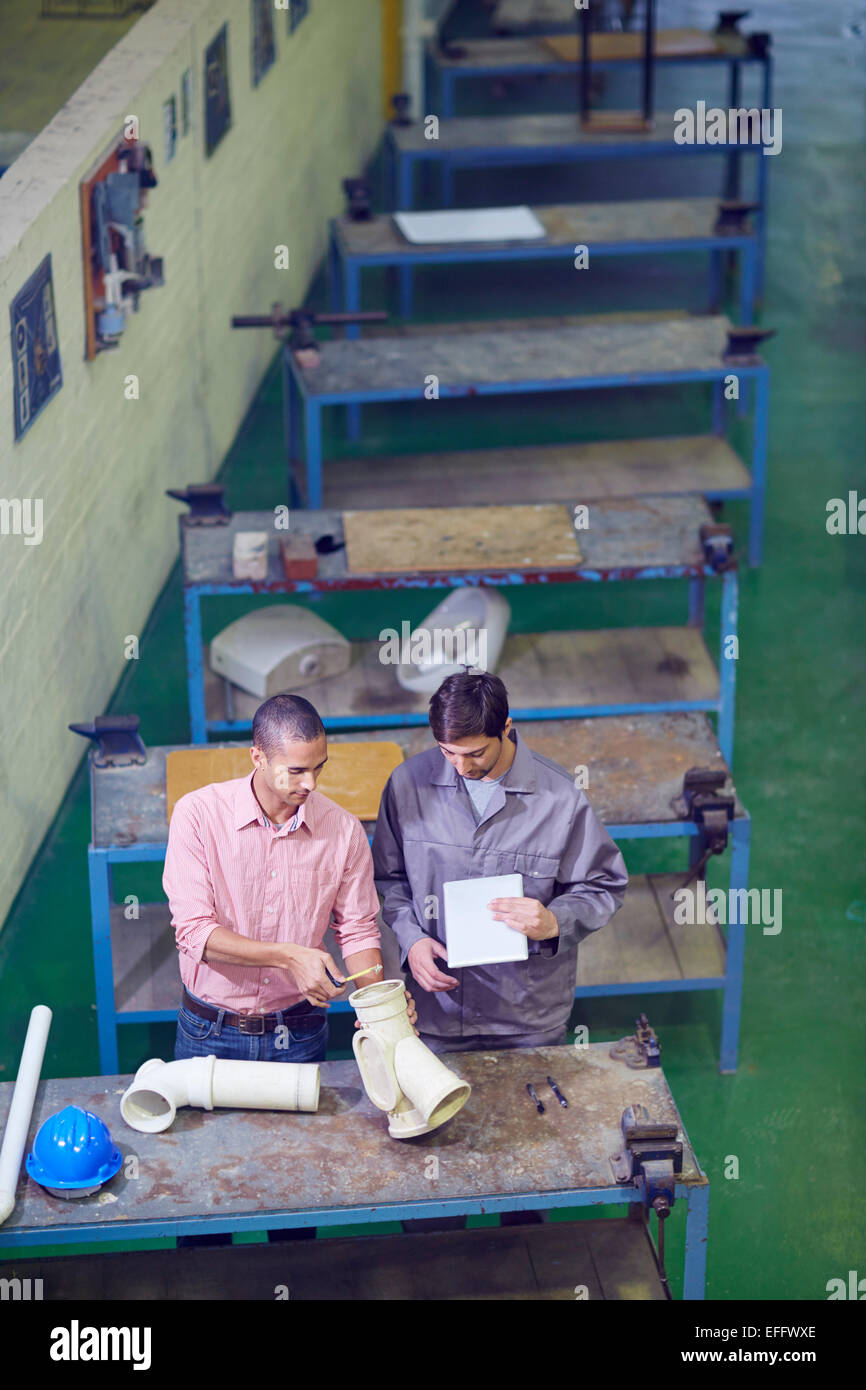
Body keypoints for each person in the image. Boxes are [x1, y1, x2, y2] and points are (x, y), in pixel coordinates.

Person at [163, 692, 415, 1244]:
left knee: (297, 1194)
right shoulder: (199, 817)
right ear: (257, 757)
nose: (311, 786)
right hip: (209, 1031)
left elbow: (358, 930)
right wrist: (287, 954)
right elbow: (194, 933)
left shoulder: (344, 832)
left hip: (296, 1033)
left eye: (320, 768)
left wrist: (380, 1007)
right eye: (296, 771)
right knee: (204, 1194)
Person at [373, 672, 627, 1054]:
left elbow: (603, 883)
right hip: (436, 1008)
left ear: (506, 728)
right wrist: (411, 940)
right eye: (447, 751)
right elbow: (387, 878)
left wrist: (556, 922)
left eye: (475, 753)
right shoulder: (407, 786)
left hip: (526, 1015)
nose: (461, 767)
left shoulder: (560, 799)